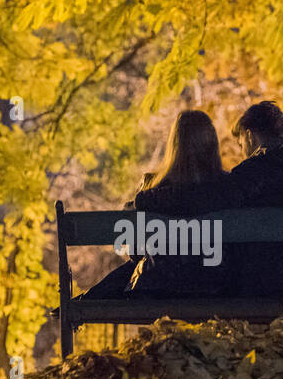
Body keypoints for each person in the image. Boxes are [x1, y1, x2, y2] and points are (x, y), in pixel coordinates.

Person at [132, 101, 283, 296]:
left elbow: (212, 197)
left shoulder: (267, 163)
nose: (243, 152)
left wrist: (146, 199)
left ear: (249, 135)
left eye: (240, 143)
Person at [73, 110, 227, 300]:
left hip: (156, 287)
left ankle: (84, 301)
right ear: (212, 144)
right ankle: (86, 299)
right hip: (215, 287)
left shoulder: (153, 189)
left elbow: (136, 253)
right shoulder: (229, 189)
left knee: (127, 273)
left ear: (175, 144)